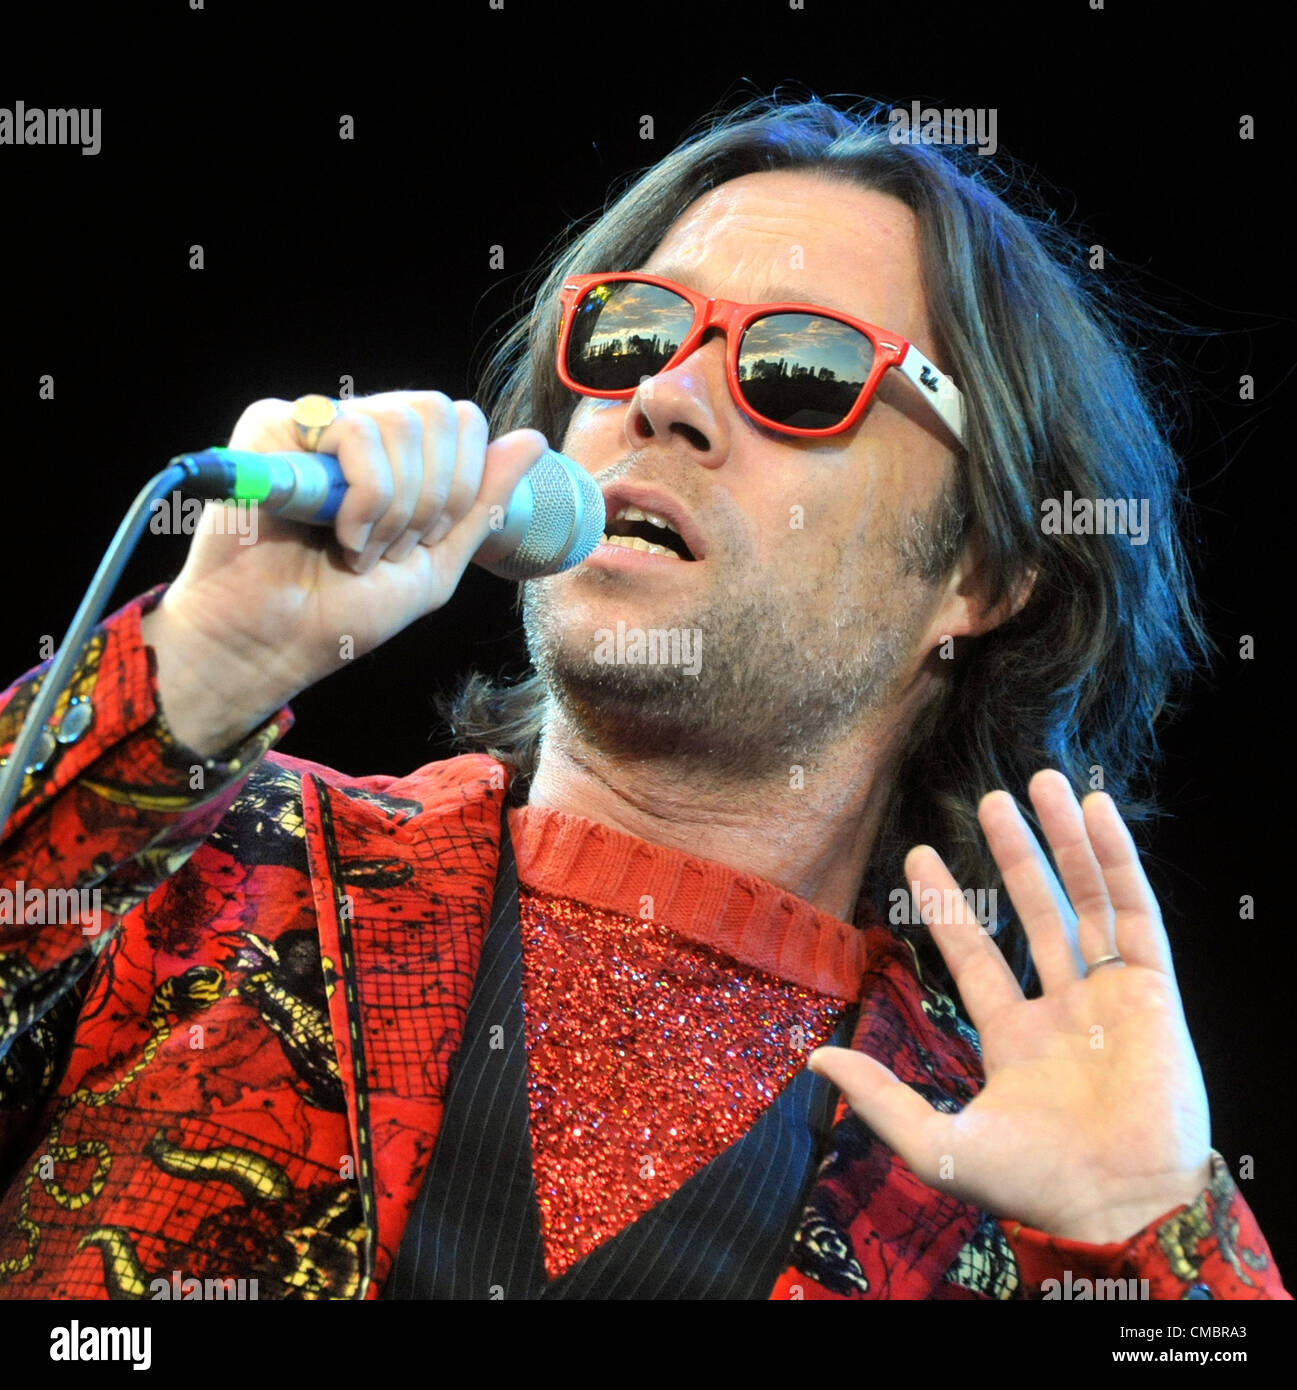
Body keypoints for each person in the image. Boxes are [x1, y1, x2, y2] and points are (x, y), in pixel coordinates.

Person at [0, 95, 1286, 1301]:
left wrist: (1153, 1241)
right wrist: (202, 663)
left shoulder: (1008, 1167)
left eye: (795, 368)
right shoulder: (205, 868)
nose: (666, 397)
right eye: (634, 335)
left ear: (982, 571)